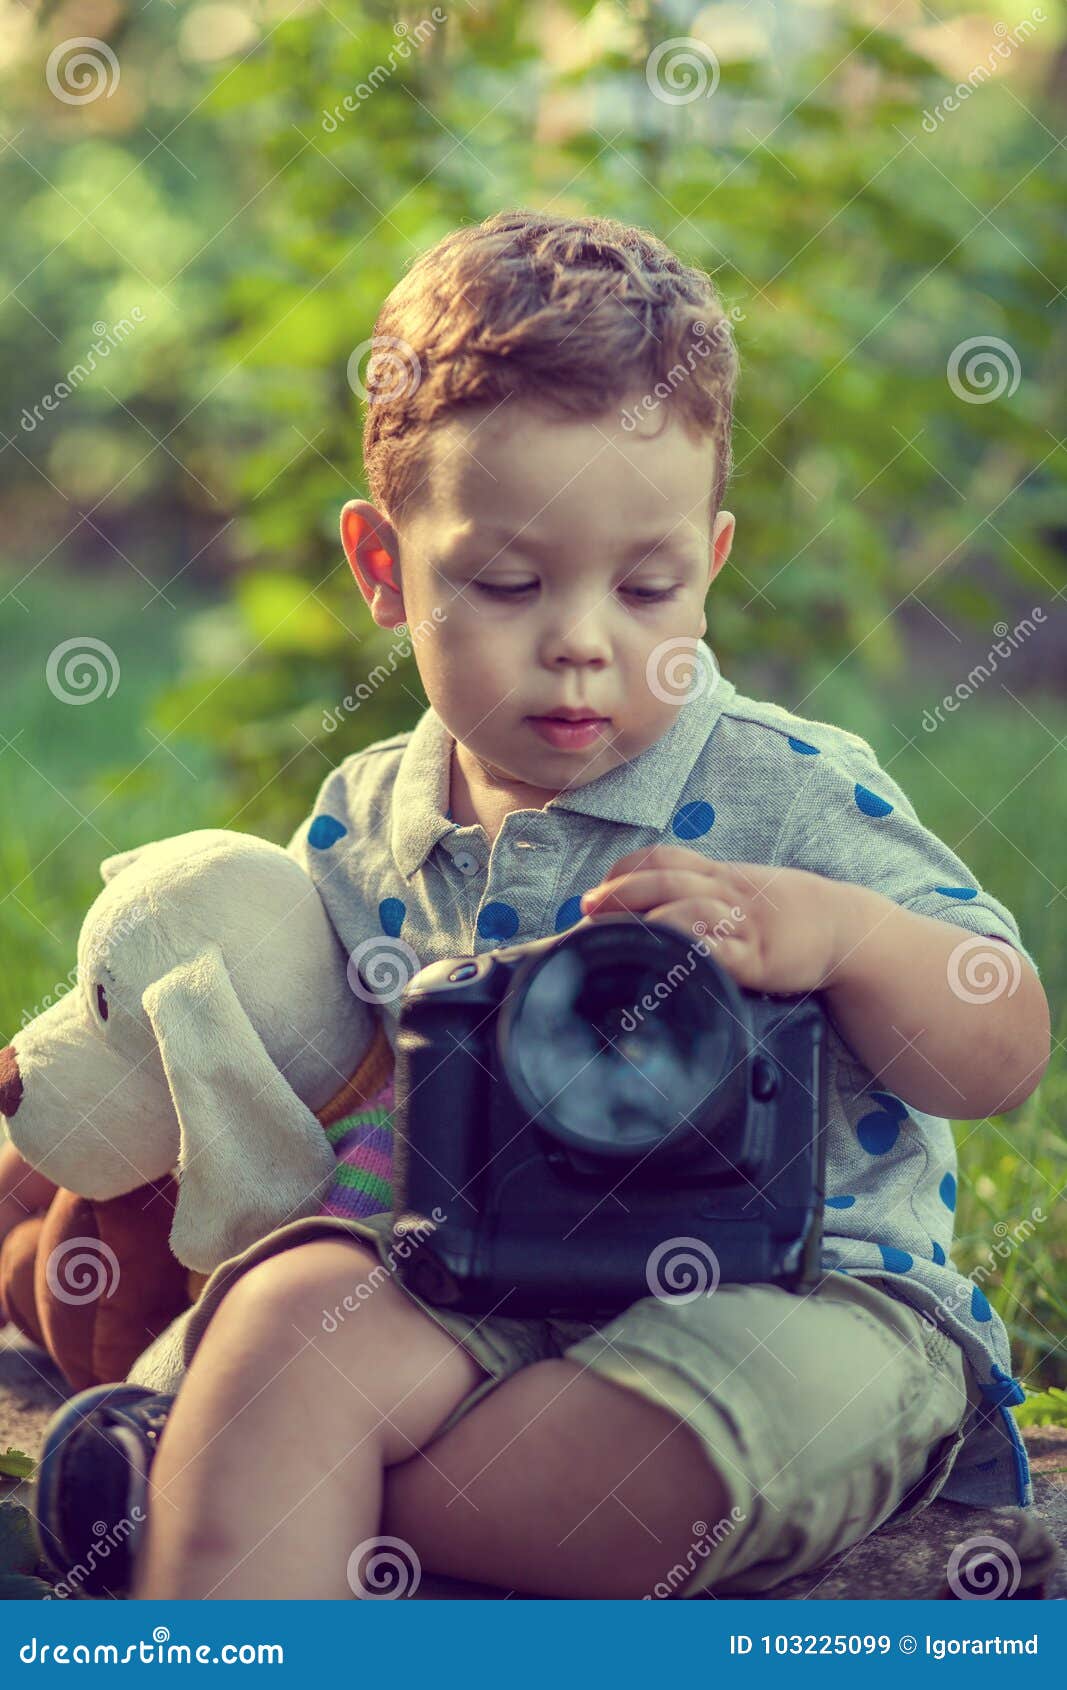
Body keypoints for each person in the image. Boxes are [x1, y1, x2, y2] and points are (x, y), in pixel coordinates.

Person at [33, 210, 1049, 1601]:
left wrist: (841, 934)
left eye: (648, 587)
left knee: (619, 1479)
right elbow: (323, 1086)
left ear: (714, 557)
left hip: (801, 1294)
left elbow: (1006, 1045)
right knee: (280, 1323)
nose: (582, 638)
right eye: (506, 582)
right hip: (471, 1284)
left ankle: (258, 1491)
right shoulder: (368, 819)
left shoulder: (789, 791)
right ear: (385, 571)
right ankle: (248, 1556)